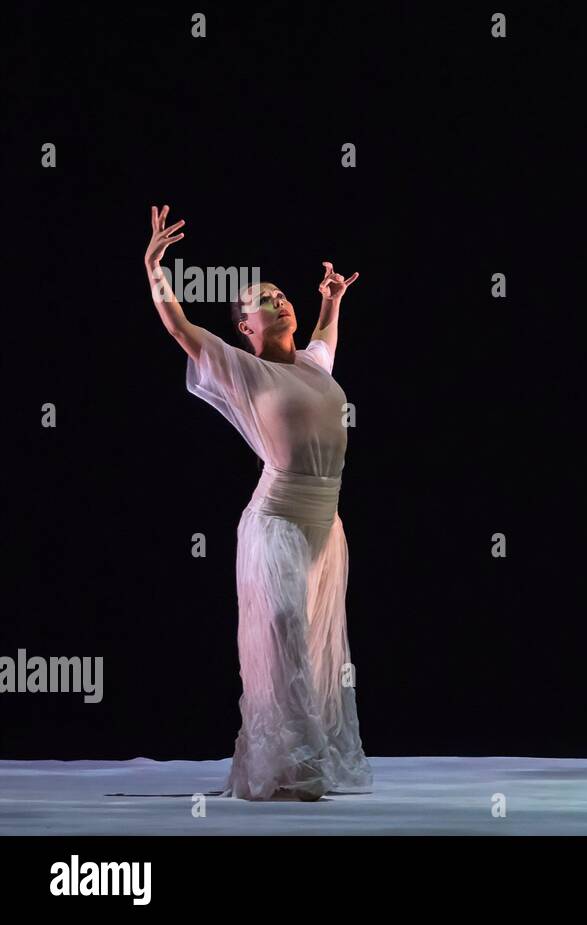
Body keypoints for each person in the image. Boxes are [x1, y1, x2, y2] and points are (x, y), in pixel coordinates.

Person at [144, 203, 372, 800]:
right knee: (285, 625)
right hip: (277, 522)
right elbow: (180, 329)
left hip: (327, 523)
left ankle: (310, 754)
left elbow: (324, 340)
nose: (279, 301)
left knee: (321, 646)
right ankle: (296, 766)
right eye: (263, 300)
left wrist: (331, 302)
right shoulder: (242, 369)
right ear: (245, 326)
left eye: (280, 294)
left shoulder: (314, 365)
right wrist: (153, 268)